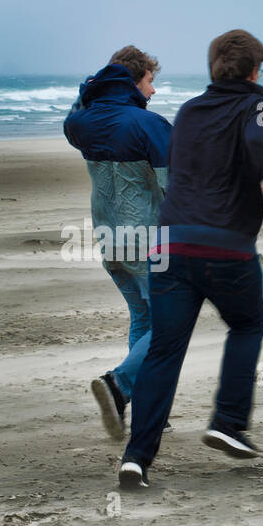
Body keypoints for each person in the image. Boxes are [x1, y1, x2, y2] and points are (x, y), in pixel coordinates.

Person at [118, 29, 263, 489]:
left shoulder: (189, 111)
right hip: (223, 248)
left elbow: (193, 177)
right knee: (247, 325)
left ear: (213, 68)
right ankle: (228, 422)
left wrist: (248, 189)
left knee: (163, 349)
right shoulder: (257, 102)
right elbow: (259, 147)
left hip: (169, 245)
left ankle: (136, 459)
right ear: (256, 70)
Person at [63, 46, 172, 439]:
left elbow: (77, 111)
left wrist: (88, 89)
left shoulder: (80, 124)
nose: (153, 91)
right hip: (149, 243)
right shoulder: (149, 125)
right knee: (168, 328)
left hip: (109, 240)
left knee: (144, 319)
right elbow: (172, 188)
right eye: (149, 81)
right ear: (133, 81)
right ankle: (118, 386)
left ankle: (143, 405)